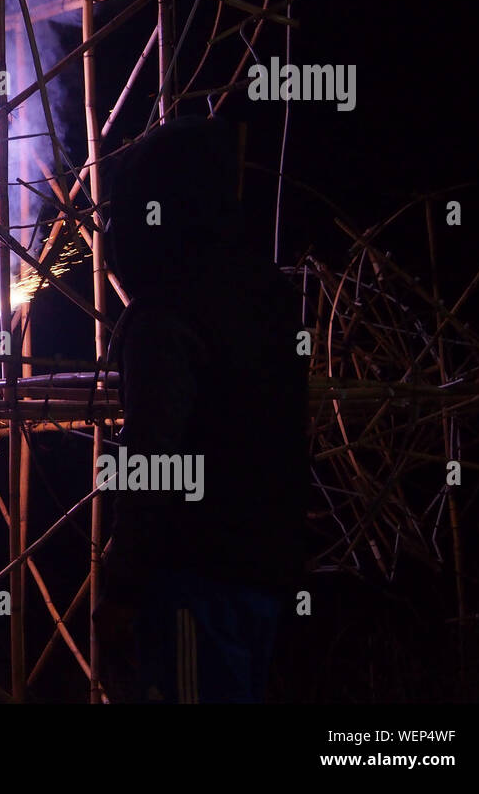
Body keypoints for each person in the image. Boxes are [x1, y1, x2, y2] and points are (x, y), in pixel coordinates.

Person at [93, 116, 308, 703]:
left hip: (193, 581)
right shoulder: (266, 298)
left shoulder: (167, 315)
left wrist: (121, 584)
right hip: (262, 573)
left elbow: (152, 455)